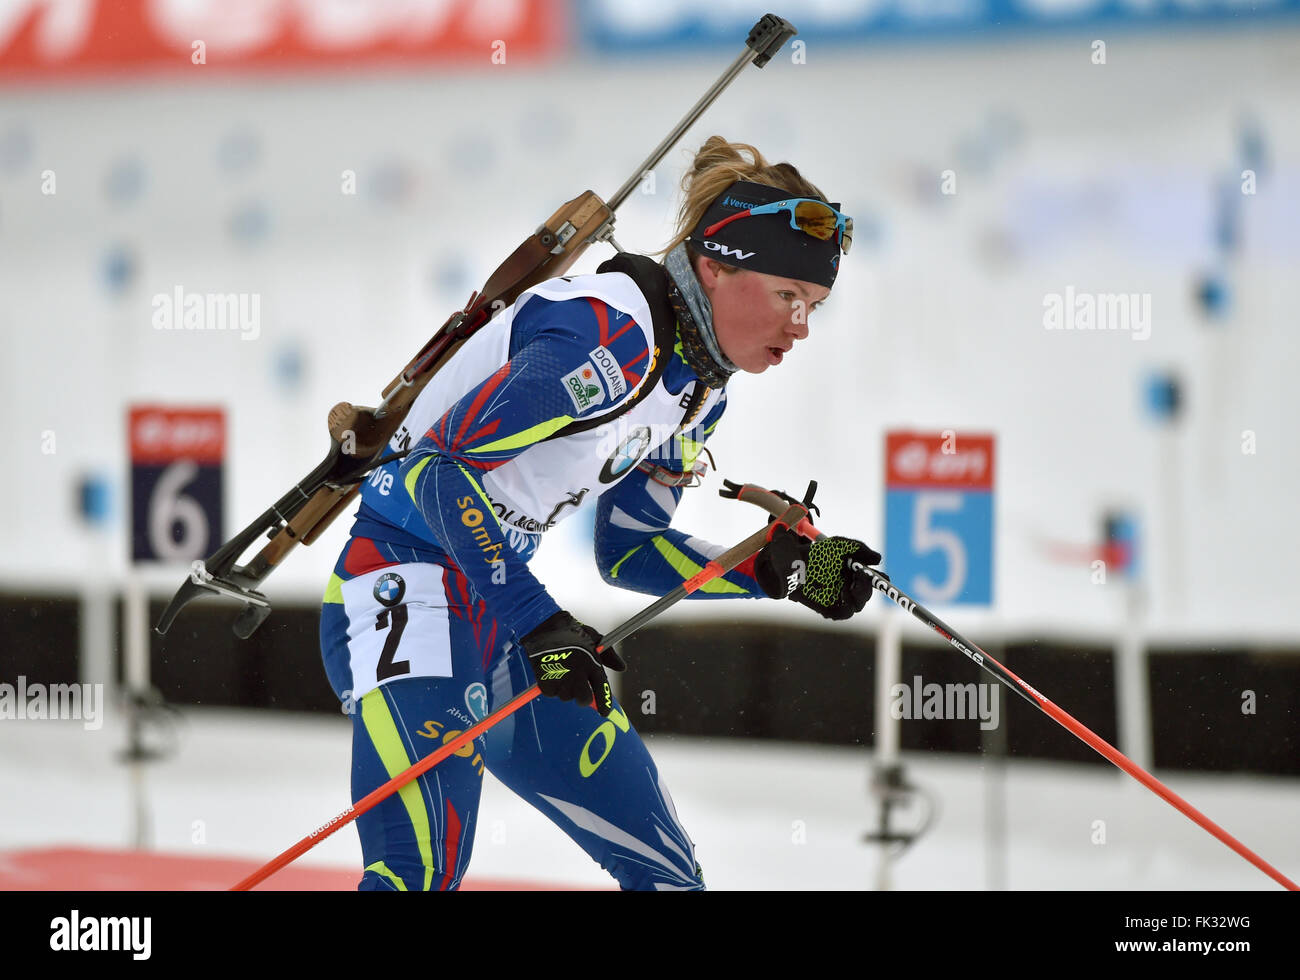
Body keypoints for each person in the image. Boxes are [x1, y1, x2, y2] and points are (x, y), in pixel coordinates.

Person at [318, 135, 882, 891]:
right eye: (788, 295)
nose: (801, 326)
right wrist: (540, 623)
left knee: (668, 875)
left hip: (497, 611)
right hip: (402, 583)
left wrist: (776, 569)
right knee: (417, 874)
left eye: (813, 305)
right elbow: (435, 472)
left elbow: (629, 549)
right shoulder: (607, 339)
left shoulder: (699, 389)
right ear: (715, 268)